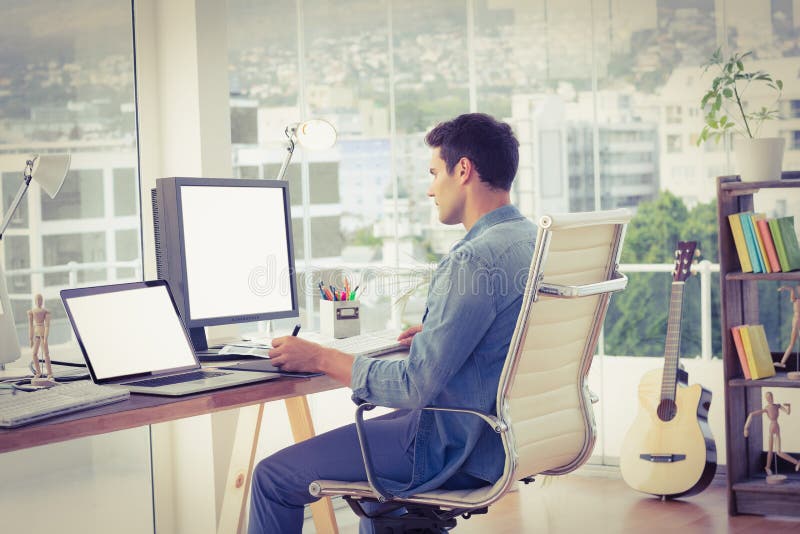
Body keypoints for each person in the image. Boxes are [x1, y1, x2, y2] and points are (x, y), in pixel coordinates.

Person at [248, 113, 536, 534]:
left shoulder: (472, 260)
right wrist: (445, 338)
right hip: (507, 439)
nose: (430, 188)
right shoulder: (532, 242)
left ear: (463, 170)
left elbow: (413, 387)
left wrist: (321, 358)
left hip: (456, 448)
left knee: (272, 478)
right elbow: (511, 339)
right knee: (381, 500)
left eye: (434, 173)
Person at [743, 391, 800, 475]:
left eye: (771, 396)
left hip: (777, 427)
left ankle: (797, 462)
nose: (770, 399)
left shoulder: (777, 406)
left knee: (779, 452)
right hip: (772, 428)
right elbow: (752, 414)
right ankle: (767, 467)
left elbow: (788, 412)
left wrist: (789, 406)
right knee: (770, 450)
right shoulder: (766, 408)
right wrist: (746, 428)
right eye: (768, 397)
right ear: (766, 399)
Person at [28, 293, 55, 386]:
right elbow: (30, 326)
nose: (38, 301)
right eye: (37, 300)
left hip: (43, 333)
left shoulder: (45, 311)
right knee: (34, 354)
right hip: (36, 333)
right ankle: (38, 372)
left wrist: (46, 338)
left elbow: (47, 325)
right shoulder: (32, 312)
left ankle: (49, 373)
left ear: (42, 301)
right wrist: (30, 338)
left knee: (46, 354)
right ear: (35, 301)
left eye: (40, 300)